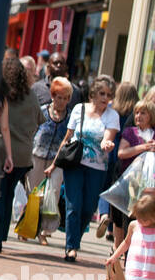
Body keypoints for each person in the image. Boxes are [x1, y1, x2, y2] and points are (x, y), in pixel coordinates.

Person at [45, 75, 120, 262]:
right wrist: (55, 164)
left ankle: (74, 240)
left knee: (88, 208)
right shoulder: (79, 109)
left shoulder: (112, 116)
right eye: (102, 93)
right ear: (93, 93)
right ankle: (71, 247)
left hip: (97, 167)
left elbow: (108, 136)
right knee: (73, 206)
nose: (105, 98)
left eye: (109, 95)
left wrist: (107, 144)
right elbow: (67, 138)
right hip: (75, 164)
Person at [0, 52, 41, 253]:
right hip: (23, 154)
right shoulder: (31, 94)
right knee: (8, 195)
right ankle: (0, 235)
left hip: (3, 150)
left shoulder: (0, 93)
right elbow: (40, 119)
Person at [112, 100, 155, 260]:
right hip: (133, 183)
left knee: (153, 218)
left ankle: (148, 254)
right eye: (136, 113)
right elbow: (121, 153)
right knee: (131, 217)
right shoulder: (130, 132)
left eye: (143, 113)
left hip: (154, 185)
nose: (138, 116)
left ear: (152, 116)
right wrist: (143, 147)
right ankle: (129, 257)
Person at [26, 76, 73, 244]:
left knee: (51, 194)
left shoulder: (69, 117)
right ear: (52, 95)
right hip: (37, 155)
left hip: (57, 159)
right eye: (58, 97)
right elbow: (31, 130)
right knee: (33, 193)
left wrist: (55, 163)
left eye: (65, 98)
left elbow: (68, 139)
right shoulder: (43, 110)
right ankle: (29, 226)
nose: (61, 101)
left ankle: (44, 232)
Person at [97, 81, 141, 245]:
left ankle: (103, 215)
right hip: (126, 159)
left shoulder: (111, 111)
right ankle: (112, 229)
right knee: (122, 192)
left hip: (110, 153)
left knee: (106, 188)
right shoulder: (135, 115)